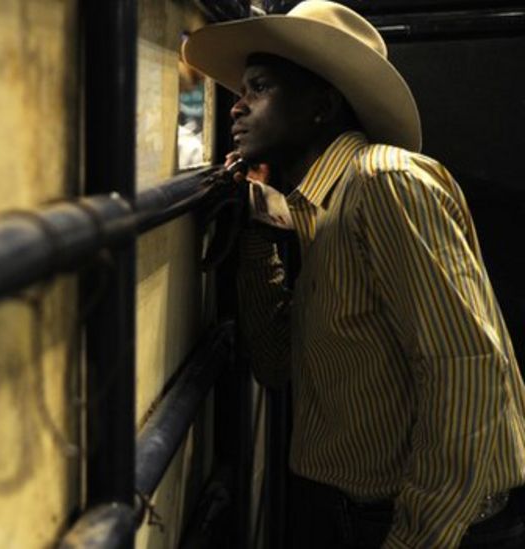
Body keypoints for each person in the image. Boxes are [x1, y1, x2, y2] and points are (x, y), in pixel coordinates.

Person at [183, 2, 525, 548]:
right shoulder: (317, 208)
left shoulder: (383, 182)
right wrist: (257, 231)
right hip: (354, 512)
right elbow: (276, 364)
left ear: (322, 105)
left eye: (260, 88)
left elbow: (468, 368)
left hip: (424, 522)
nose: (236, 108)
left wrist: (419, 537)